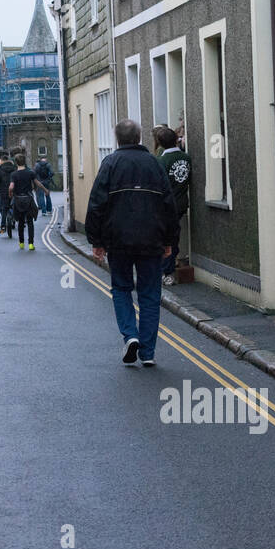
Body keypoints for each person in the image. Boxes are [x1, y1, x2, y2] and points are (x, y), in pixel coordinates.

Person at [86, 119, 180, 367]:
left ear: (117, 139)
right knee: (150, 295)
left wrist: (96, 240)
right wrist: (170, 240)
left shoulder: (110, 163)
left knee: (121, 289)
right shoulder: (154, 164)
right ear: (139, 138)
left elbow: (96, 203)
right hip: (152, 240)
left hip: (118, 240)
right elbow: (169, 204)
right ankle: (148, 352)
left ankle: (130, 335)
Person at [154, 125, 191, 287]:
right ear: (176, 140)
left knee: (166, 240)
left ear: (160, 144)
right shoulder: (186, 158)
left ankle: (167, 273)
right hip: (181, 204)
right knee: (174, 238)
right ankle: (168, 269)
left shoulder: (161, 161)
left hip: (166, 207)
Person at [8, 153, 49, 250]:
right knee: (30, 222)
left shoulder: (13, 174)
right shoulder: (30, 172)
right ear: (24, 162)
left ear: (16, 163)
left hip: (18, 200)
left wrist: (10, 193)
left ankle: (21, 243)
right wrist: (45, 190)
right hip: (28, 199)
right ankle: (31, 244)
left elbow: (11, 187)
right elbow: (37, 183)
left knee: (21, 222)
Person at [0, 154, 16, 233]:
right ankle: (13, 219)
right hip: (14, 190)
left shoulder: (0, 170)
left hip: (3, 191)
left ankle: (3, 226)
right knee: (13, 205)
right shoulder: (14, 168)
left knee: (4, 208)